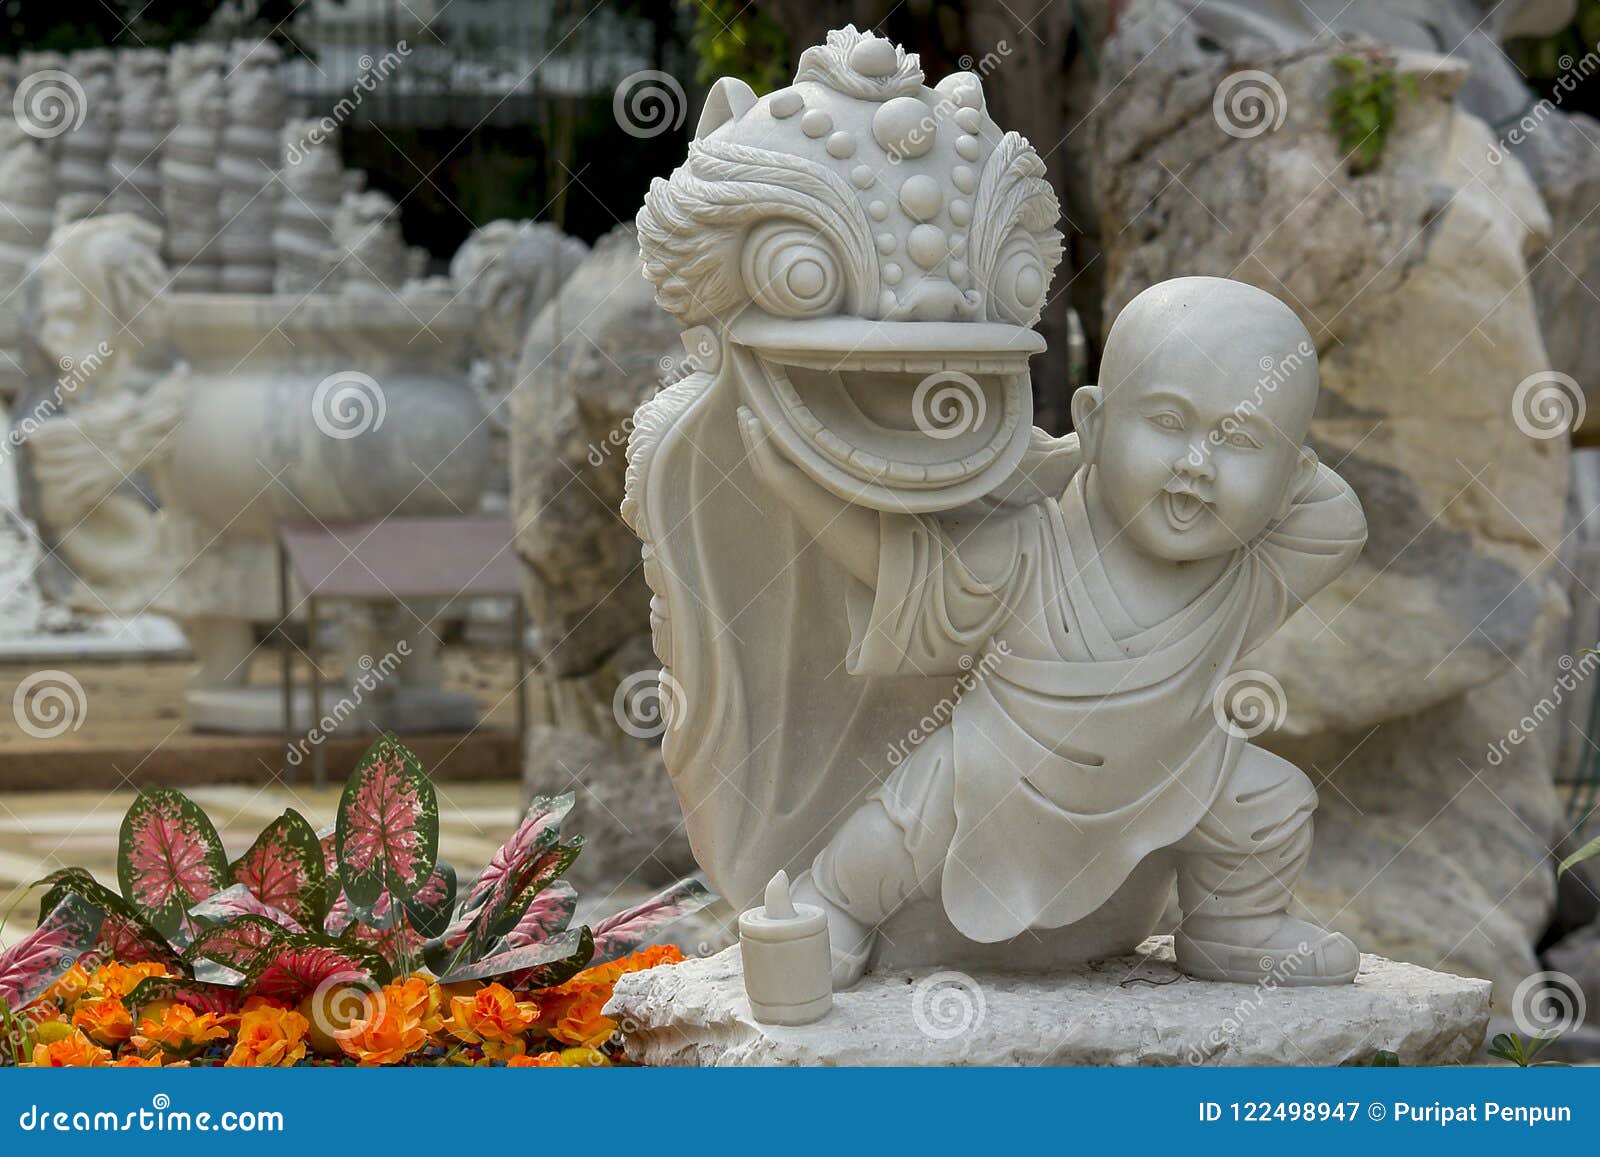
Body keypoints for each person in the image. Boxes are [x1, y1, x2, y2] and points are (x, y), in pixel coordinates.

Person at [737, 276, 1368, 988]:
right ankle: (839, 908)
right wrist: (800, 488)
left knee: (1270, 800)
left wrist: (1272, 476)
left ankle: (1234, 926)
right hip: (1002, 766)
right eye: (1167, 421)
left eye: (1241, 439)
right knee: (910, 813)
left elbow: (1337, 516)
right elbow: (911, 570)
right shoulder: (1034, 546)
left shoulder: (1246, 573)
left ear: (1290, 478)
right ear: (1094, 422)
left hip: (1175, 772)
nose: (1197, 464)